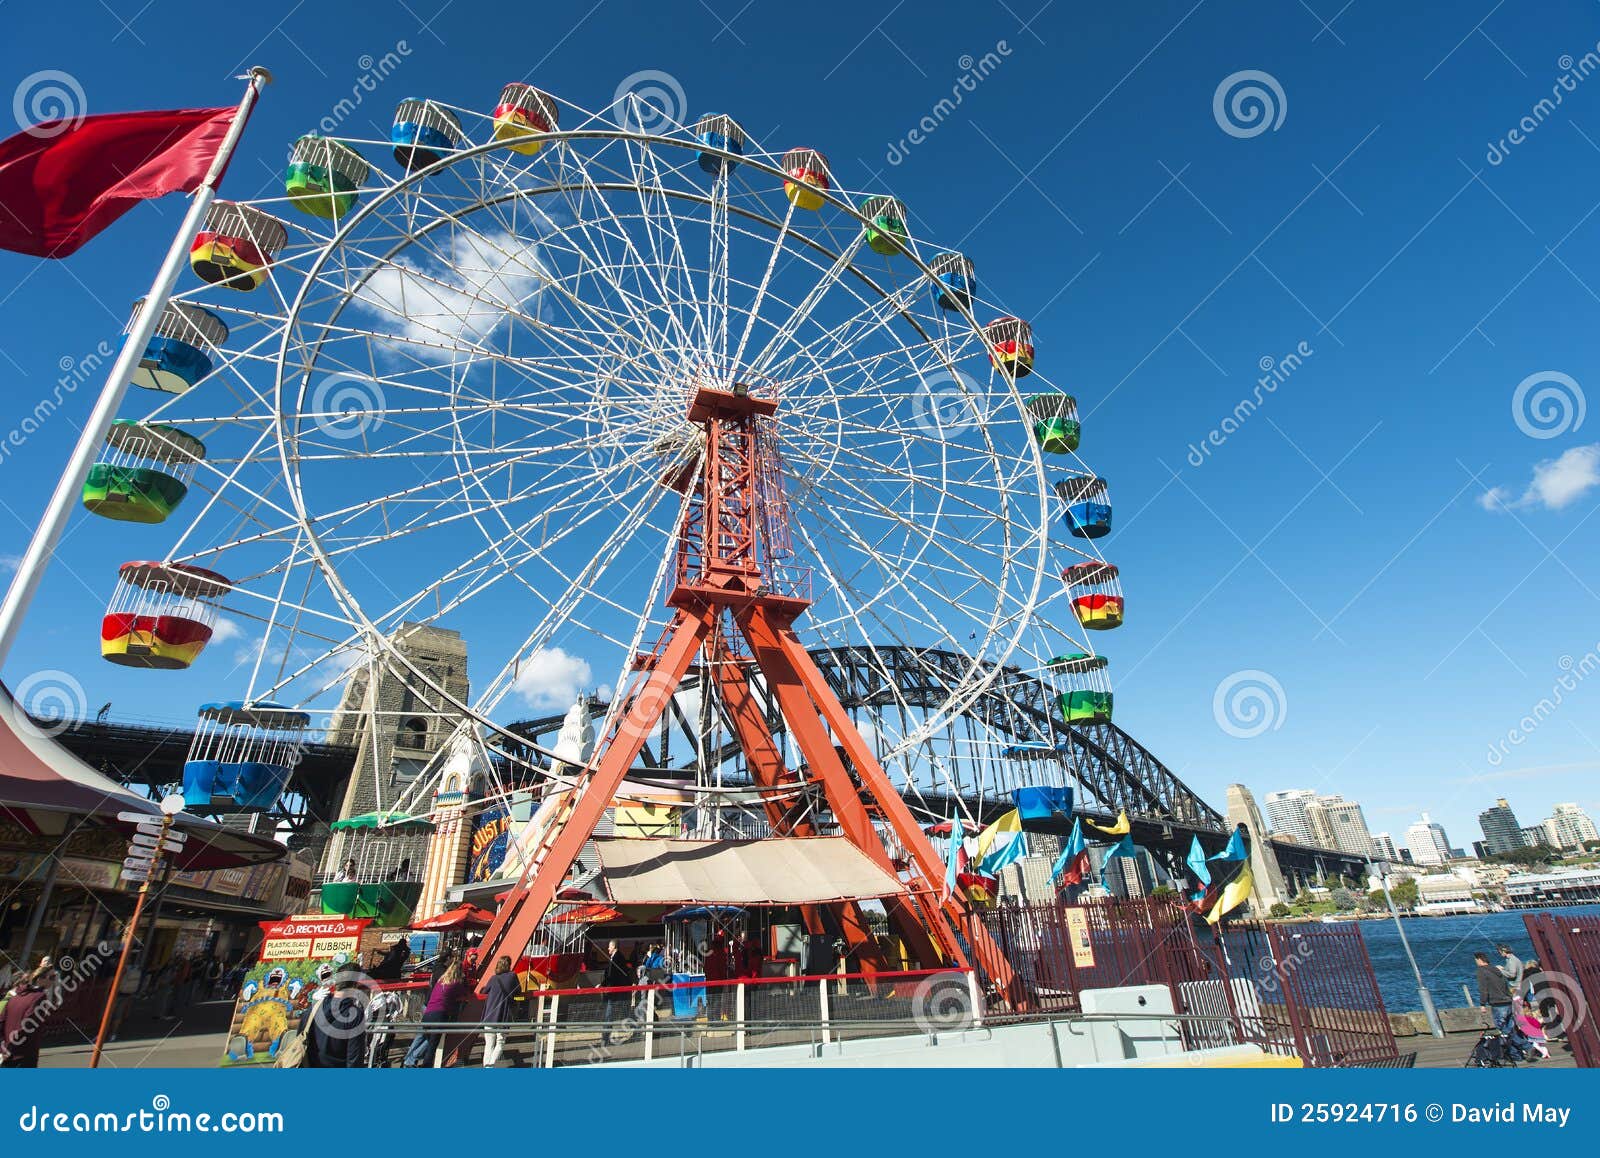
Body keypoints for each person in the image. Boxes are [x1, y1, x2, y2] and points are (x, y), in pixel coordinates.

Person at [403, 960, 468, 1067]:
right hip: (439, 1015)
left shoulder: (441, 981)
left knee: (425, 1039)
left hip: (428, 1012)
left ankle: (410, 1059)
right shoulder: (456, 984)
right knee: (432, 1045)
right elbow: (464, 993)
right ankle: (425, 1065)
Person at [304, 966, 371, 1068]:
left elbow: (301, 1042)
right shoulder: (355, 1016)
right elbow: (354, 1059)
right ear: (356, 984)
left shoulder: (312, 1009)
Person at [1474, 950, 1526, 1057]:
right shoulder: (1497, 969)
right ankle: (1515, 1054)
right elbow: (1505, 985)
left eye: (1475, 960)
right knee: (1509, 1029)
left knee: (1504, 1031)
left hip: (1498, 1003)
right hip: (1508, 1001)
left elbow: (1483, 989)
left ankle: (1526, 1046)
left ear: (1479, 960)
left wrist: (1482, 1004)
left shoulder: (1481, 971)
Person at [0, 967, 54, 1068]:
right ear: (39, 979)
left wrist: (3, 1048)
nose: (53, 981)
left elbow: (1, 1022)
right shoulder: (40, 996)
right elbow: (28, 1025)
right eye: (51, 977)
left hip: (7, 1052)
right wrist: (9, 1048)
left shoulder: (14, 997)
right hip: (24, 1053)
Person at [481, 955, 520, 1067]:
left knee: (489, 1045)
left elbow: (484, 991)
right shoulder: (512, 976)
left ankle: (487, 1067)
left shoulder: (493, 978)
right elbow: (518, 991)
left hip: (490, 1015)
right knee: (500, 1043)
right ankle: (491, 1065)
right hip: (503, 1015)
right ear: (509, 965)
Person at [598, 940, 633, 1046]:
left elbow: (611, 975)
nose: (608, 948)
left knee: (609, 1015)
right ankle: (605, 1038)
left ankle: (605, 1039)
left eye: (609, 946)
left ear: (614, 946)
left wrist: (603, 985)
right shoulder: (616, 957)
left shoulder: (617, 958)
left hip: (614, 992)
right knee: (617, 1013)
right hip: (615, 991)